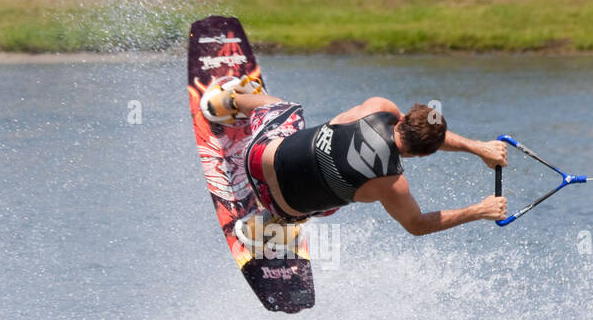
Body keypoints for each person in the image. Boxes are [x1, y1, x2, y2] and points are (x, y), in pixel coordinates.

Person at [199, 78, 509, 235]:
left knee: (284, 108)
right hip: (285, 205)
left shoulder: (377, 107)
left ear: (402, 118)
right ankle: (267, 225)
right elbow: (416, 225)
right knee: (337, 198)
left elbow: (422, 134)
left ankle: (224, 102)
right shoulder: (393, 185)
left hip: (256, 159)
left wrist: (477, 147)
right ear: (423, 156)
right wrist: (478, 210)